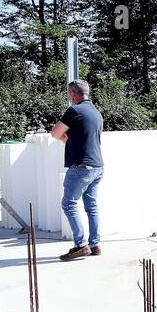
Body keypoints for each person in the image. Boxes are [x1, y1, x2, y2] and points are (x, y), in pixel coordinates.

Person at [49, 80, 104, 261]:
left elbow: (55, 133)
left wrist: (65, 138)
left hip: (81, 167)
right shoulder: (96, 113)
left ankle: (81, 245)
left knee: (69, 204)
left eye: (68, 93)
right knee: (91, 206)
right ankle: (95, 244)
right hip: (98, 166)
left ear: (73, 93)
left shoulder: (74, 110)